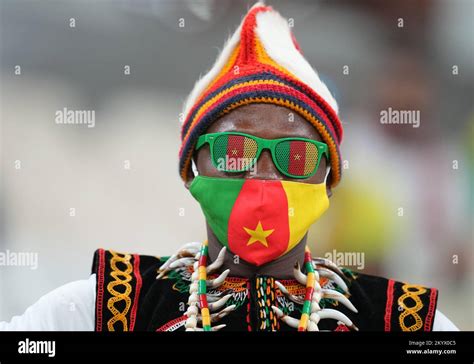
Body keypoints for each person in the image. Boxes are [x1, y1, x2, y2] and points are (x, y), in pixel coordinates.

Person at [0, 3, 458, 332]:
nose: (263, 176)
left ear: (328, 180)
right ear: (191, 169)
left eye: (294, 157)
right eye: (234, 151)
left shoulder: (409, 322)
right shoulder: (95, 311)